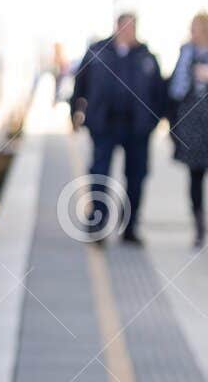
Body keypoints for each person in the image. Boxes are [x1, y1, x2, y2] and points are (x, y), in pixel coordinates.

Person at [70, 12, 167, 245]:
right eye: (125, 27)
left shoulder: (147, 57)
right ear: (117, 27)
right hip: (104, 126)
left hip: (137, 129)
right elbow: (79, 85)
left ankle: (130, 227)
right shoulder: (97, 53)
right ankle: (97, 225)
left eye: (132, 28)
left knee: (136, 177)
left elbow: (159, 93)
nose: (128, 32)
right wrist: (74, 113)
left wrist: (153, 122)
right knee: (100, 174)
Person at [168, 13, 208, 249]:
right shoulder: (187, 52)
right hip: (193, 122)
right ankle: (198, 224)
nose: (193, 32)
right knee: (195, 175)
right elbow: (175, 89)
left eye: (197, 28)